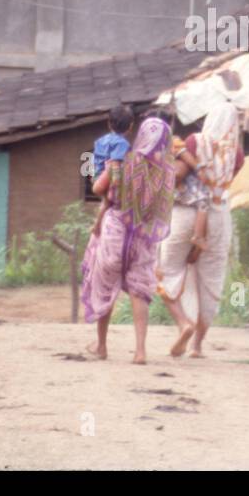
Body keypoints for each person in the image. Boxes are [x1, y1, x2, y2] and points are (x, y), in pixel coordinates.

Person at [80, 116, 174, 364]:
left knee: (105, 282)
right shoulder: (164, 173)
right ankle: (140, 351)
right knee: (139, 289)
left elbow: (98, 189)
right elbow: (161, 209)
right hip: (143, 236)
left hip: (114, 230)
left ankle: (101, 345)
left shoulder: (120, 163)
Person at [157, 103, 244, 358]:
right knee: (211, 280)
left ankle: (184, 323)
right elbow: (224, 185)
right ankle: (197, 346)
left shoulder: (194, 141)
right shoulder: (237, 153)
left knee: (167, 270)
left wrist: (174, 160)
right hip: (218, 216)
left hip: (186, 213)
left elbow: (177, 176)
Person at [91, 105, 134, 236]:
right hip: (107, 178)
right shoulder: (122, 143)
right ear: (131, 126)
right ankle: (96, 226)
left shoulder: (101, 140)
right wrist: (116, 181)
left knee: (104, 203)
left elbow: (95, 159)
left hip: (96, 175)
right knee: (107, 203)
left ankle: (97, 224)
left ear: (109, 123)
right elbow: (115, 163)